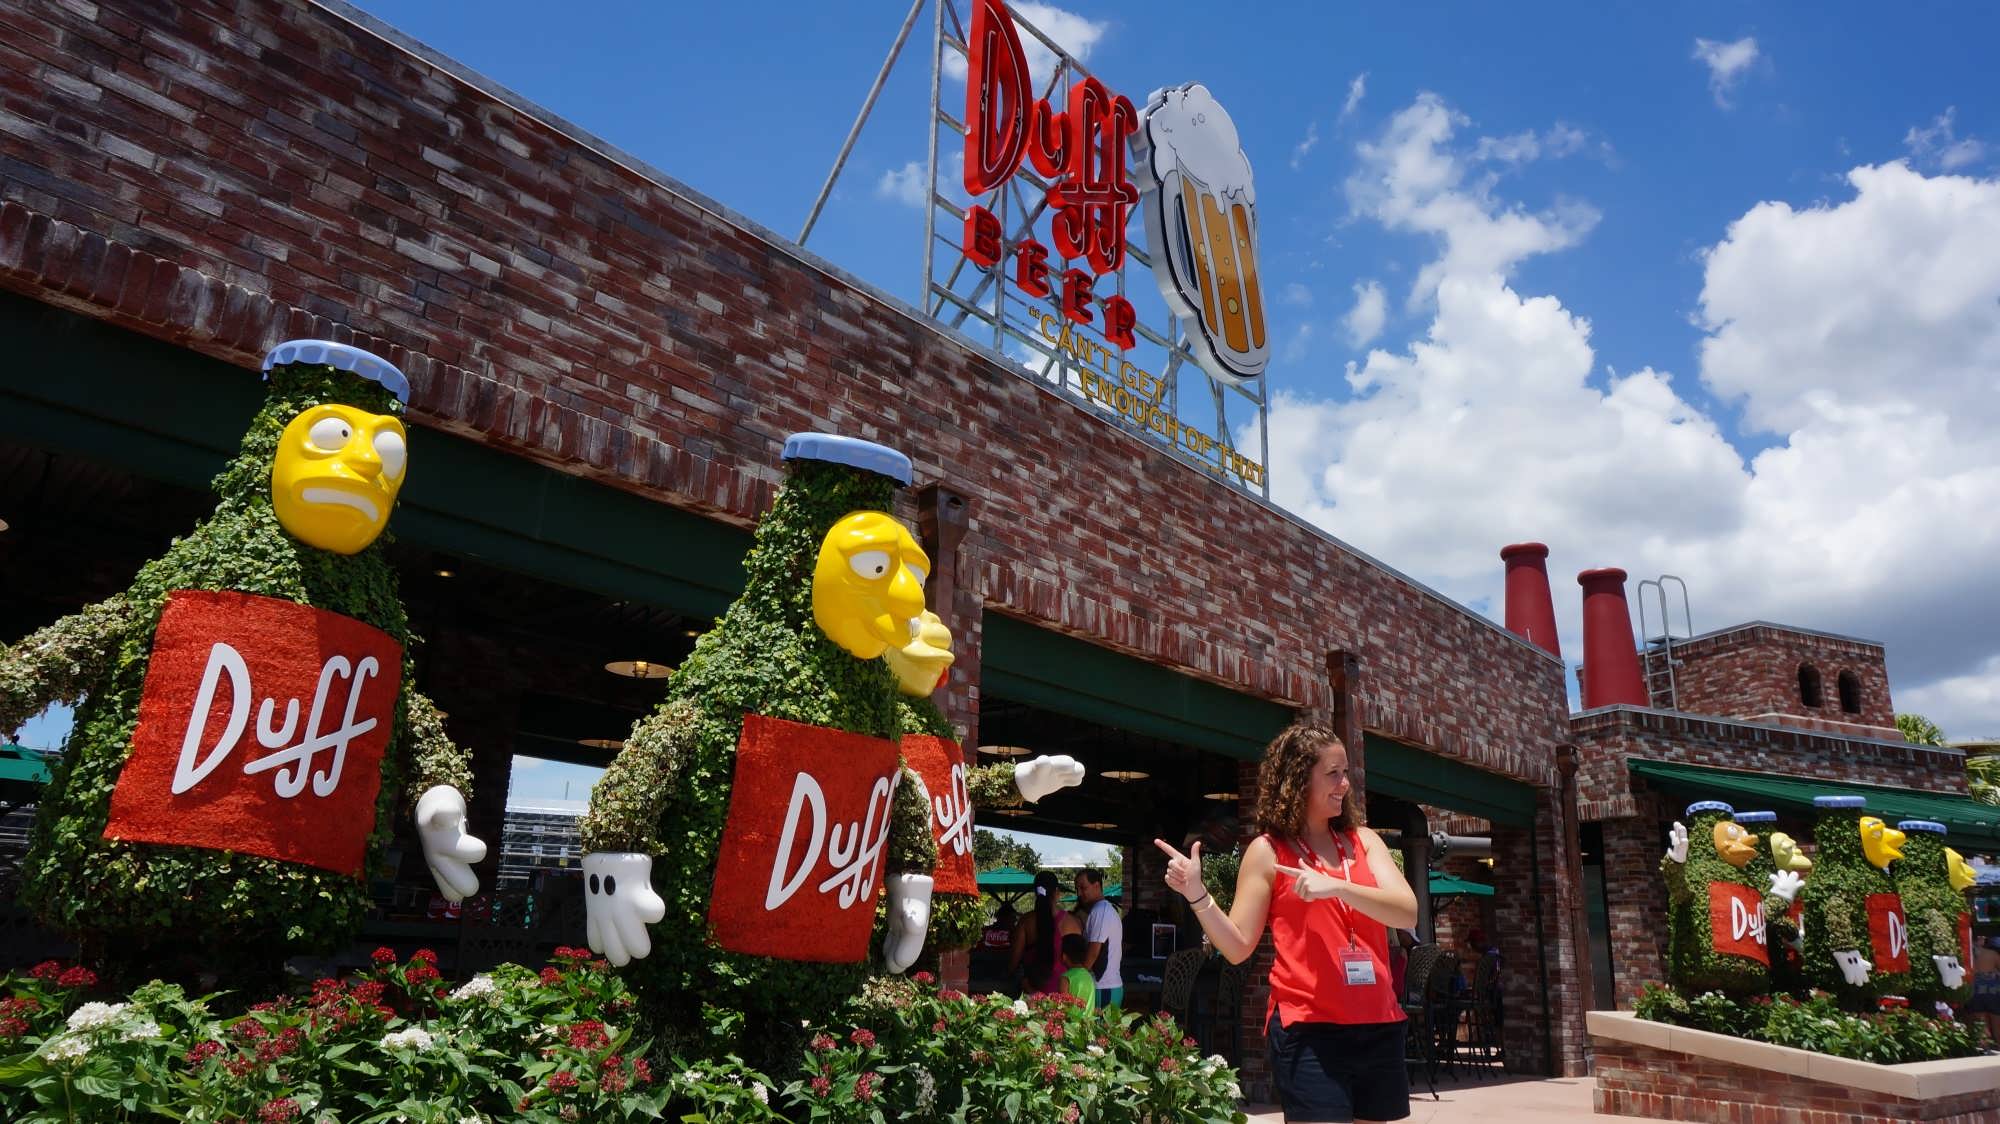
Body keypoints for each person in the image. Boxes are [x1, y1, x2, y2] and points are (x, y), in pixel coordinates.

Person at [1157, 723, 1418, 1124]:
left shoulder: (1363, 840)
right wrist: (1197, 894)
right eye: (1333, 773)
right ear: (1298, 779)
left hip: (1378, 1022)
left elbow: (1406, 911)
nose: (1344, 784)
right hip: (1310, 1031)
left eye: (1346, 772)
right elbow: (1239, 945)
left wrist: (1337, 887)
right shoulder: (1267, 852)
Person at [1009, 870, 1082, 995]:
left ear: (1036, 894)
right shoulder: (1073, 923)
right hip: (1064, 993)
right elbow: (1078, 965)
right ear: (1057, 893)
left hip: (1032, 993)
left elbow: (1013, 963)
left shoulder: (1026, 922)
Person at [1076, 867, 1125, 1009]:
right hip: (1107, 986)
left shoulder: (1101, 911)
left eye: (1083, 887)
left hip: (1104, 987)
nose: (1079, 893)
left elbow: (1094, 951)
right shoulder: (1102, 909)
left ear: (1097, 885)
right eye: (1077, 889)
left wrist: (1079, 976)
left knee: (1102, 1031)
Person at [1969, 935, 2000, 1049]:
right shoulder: (1992, 954)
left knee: (1981, 1021)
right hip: (1992, 988)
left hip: (1975, 987)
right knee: (1997, 1021)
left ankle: (1984, 1047)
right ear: (1981, 940)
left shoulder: (1968, 954)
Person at [1060, 932, 1099, 1014]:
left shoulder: (1065, 978)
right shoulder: (1089, 975)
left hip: (1071, 1026)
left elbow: (1062, 1008)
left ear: (1064, 956)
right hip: (1087, 1025)